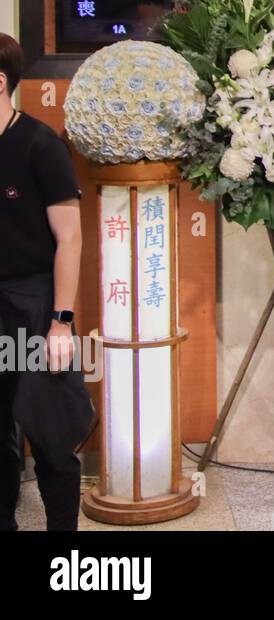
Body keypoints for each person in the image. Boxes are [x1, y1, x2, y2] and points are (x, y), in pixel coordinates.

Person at [0, 33, 87, 530]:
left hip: (34, 303)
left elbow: (69, 238)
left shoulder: (40, 144)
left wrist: (61, 321)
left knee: (50, 433)